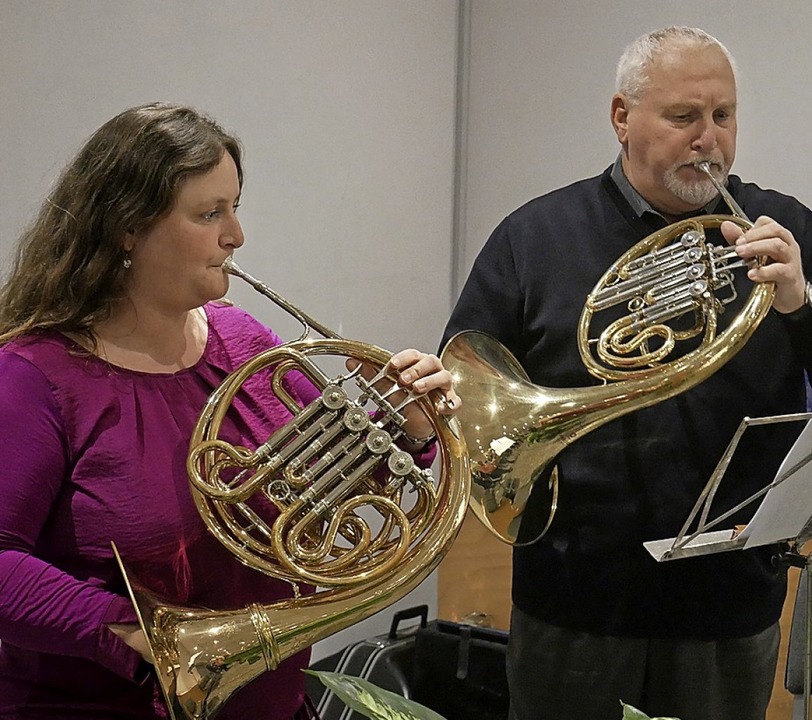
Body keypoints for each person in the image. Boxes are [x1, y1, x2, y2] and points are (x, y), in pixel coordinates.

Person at [0, 102, 461, 720]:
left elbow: (319, 498)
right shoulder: (35, 377)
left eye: (234, 206)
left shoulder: (244, 341)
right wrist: (146, 641)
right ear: (127, 228)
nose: (236, 235)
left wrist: (404, 428)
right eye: (209, 213)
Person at [441, 26, 812, 720]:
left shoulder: (786, 231)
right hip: (575, 605)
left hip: (728, 608)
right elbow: (466, 392)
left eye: (723, 116)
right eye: (684, 117)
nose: (710, 139)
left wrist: (799, 304)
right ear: (622, 117)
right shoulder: (536, 236)